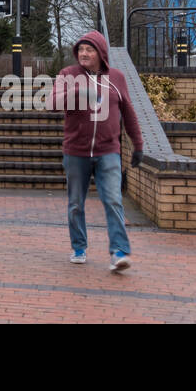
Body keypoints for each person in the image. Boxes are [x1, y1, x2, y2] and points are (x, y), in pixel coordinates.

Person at [51, 30, 143, 271]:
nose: (83, 53)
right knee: (76, 203)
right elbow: (51, 104)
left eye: (89, 50)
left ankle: (120, 252)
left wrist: (138, 145)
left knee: (113, 199)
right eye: (80, 49)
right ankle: (79, 247)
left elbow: (129, 113)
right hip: (76, 152)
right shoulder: (67, 75)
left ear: (101, 53)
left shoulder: (117, 77)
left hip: (108, 151)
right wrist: (78, 91)